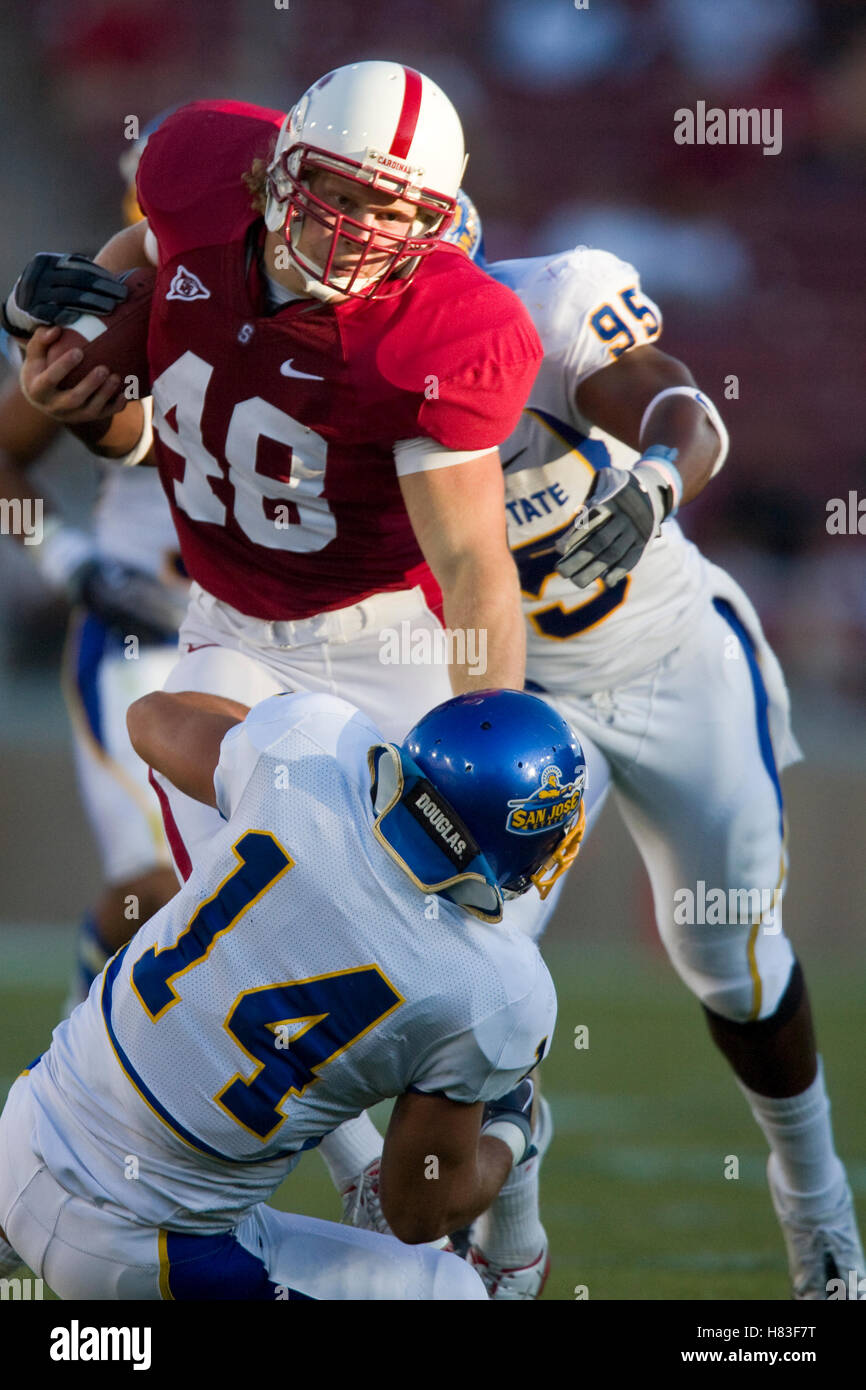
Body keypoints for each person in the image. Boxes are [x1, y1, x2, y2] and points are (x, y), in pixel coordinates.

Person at [4, 63, 546, 1239]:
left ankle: (506, 1176)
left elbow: (471, 567)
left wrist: (481, 733)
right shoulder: (196, 179)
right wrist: (78, 374)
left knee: (423, 940)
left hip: (388, 643)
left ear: (438, 219)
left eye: (394, 208)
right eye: (338, 192)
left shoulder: (439, 332)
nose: (358, 229)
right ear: (273, 169)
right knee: (246, 923)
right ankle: (366, 1171)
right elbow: (137, 371)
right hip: (231, 622)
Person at [435, 191, 865, 1301]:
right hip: (522, 692)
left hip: (675, 661)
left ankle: (817, 1207)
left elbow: (684, 407)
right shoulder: (353, 373)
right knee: (466, 966)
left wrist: (658, 479)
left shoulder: (552, 303)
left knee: (732, 964)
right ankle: (508, 1237)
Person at [0, 686, 586, 1299]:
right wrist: (515, 1133)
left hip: (29, 1128)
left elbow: (148, 716)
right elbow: (417, 1213)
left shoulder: (306, 747)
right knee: (454, 1294)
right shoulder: (496, 988)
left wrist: (257, 730)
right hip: (143, 1251)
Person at [0, 115, 184, 1008]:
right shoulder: (122, 303)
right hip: (142, 628)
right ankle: (83, 1053)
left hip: (279, 633)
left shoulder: (304, 311)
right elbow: (3, 451)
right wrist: (66, 557)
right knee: (157, 888)